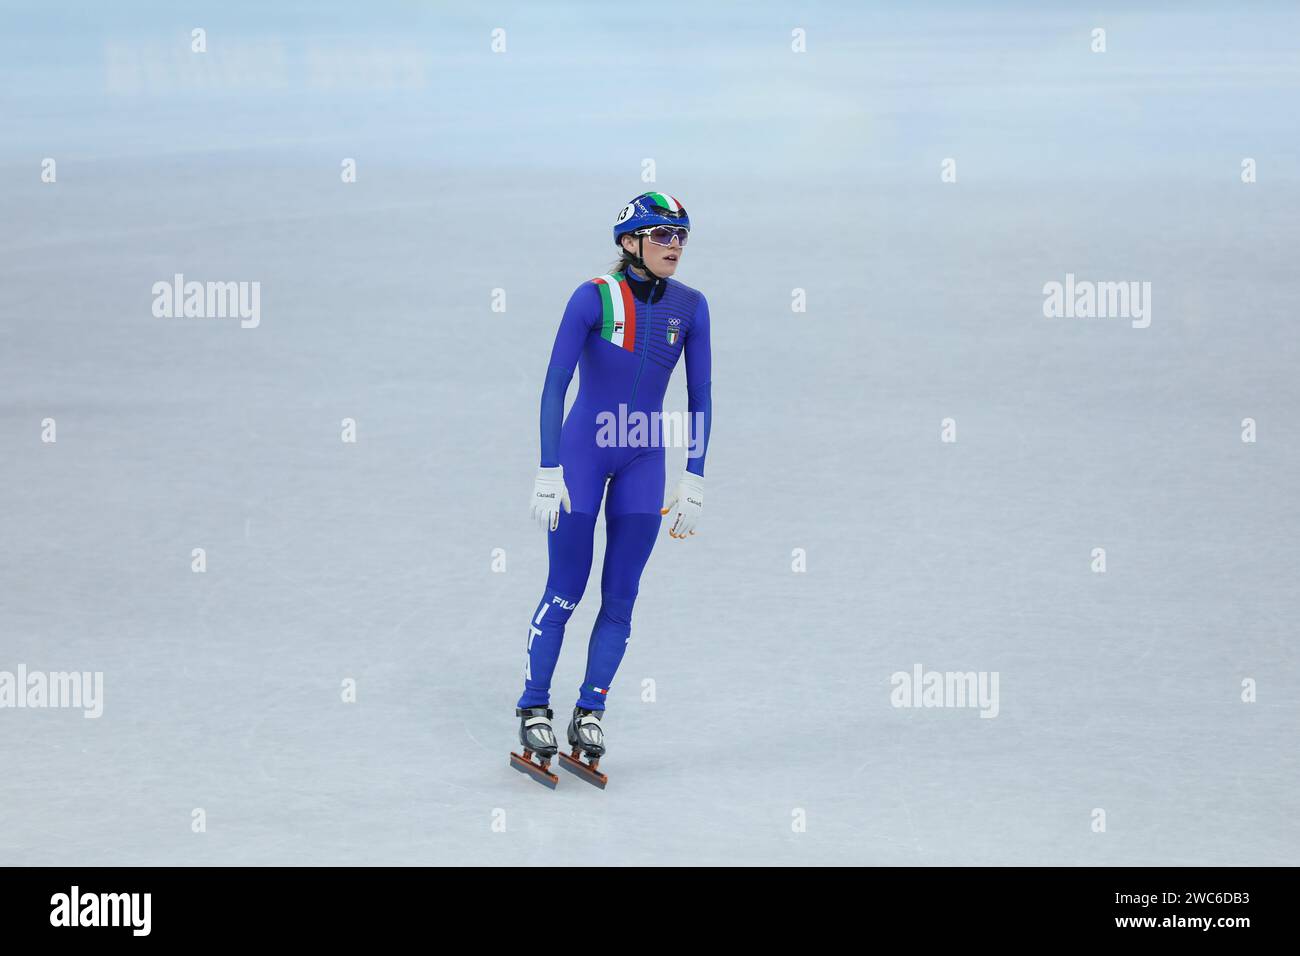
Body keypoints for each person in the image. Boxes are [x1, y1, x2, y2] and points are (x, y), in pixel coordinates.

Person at [514, 192, 713, 770]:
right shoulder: (592, 297)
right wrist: (549, 466)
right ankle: (533, 708)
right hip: (581, 456)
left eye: (682, 235)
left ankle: (590, 709)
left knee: (621, 597)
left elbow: (698, 398)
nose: (675, 246)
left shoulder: (692, 307)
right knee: (565, 589)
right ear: (631, 243)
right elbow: (554, 386)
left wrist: (694, 475)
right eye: (663, 235)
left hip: (643, 462)